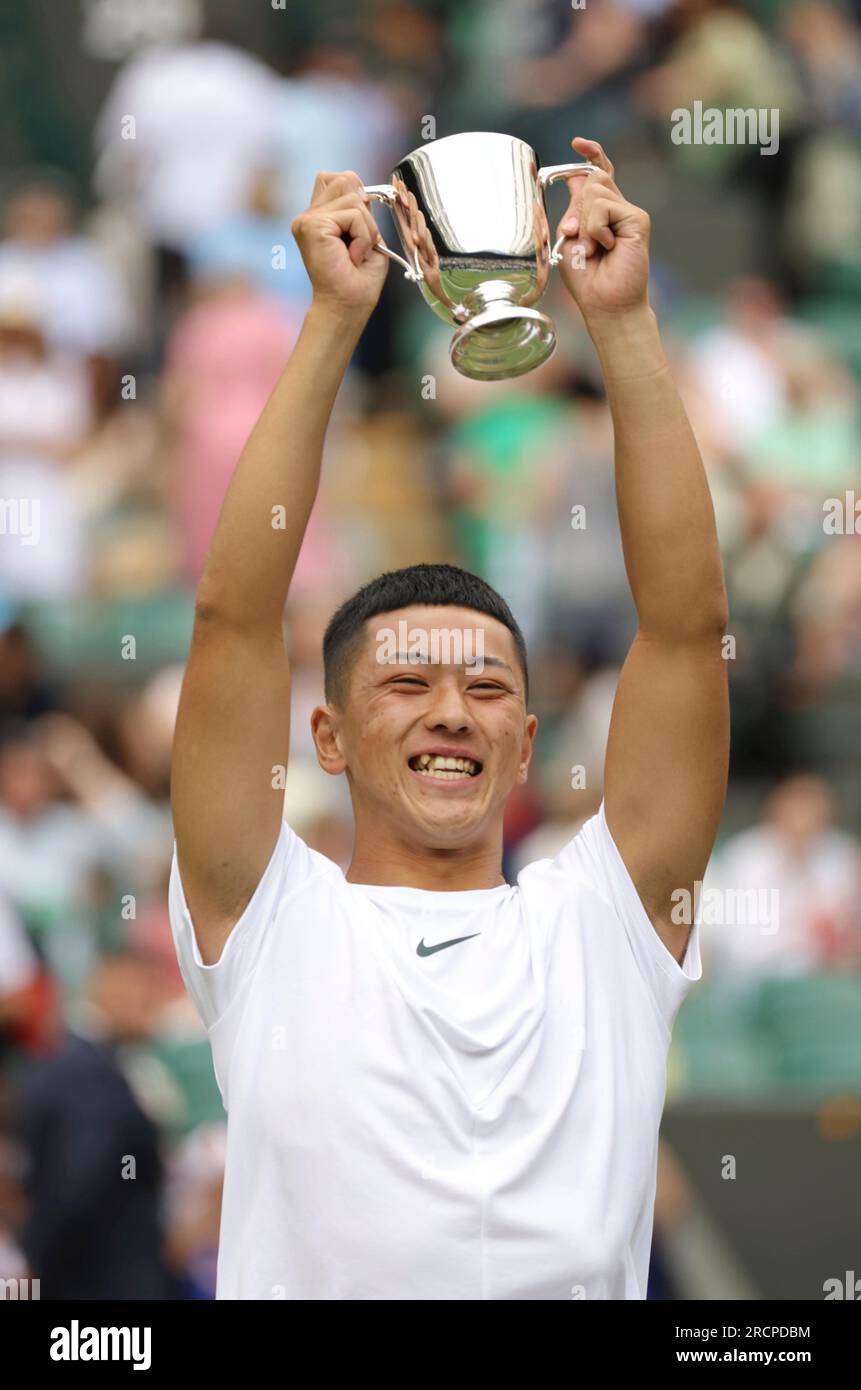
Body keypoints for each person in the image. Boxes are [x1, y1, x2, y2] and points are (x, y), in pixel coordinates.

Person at [168, 138, 729, 1300]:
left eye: (485, 689)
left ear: (527, 743)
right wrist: (331, 322)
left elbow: (683, 627)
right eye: (407, 683)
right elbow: (232, 618)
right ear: (325, 740)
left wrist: (619, 324)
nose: (451, 712)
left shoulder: (607, 928)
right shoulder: (266, 919)